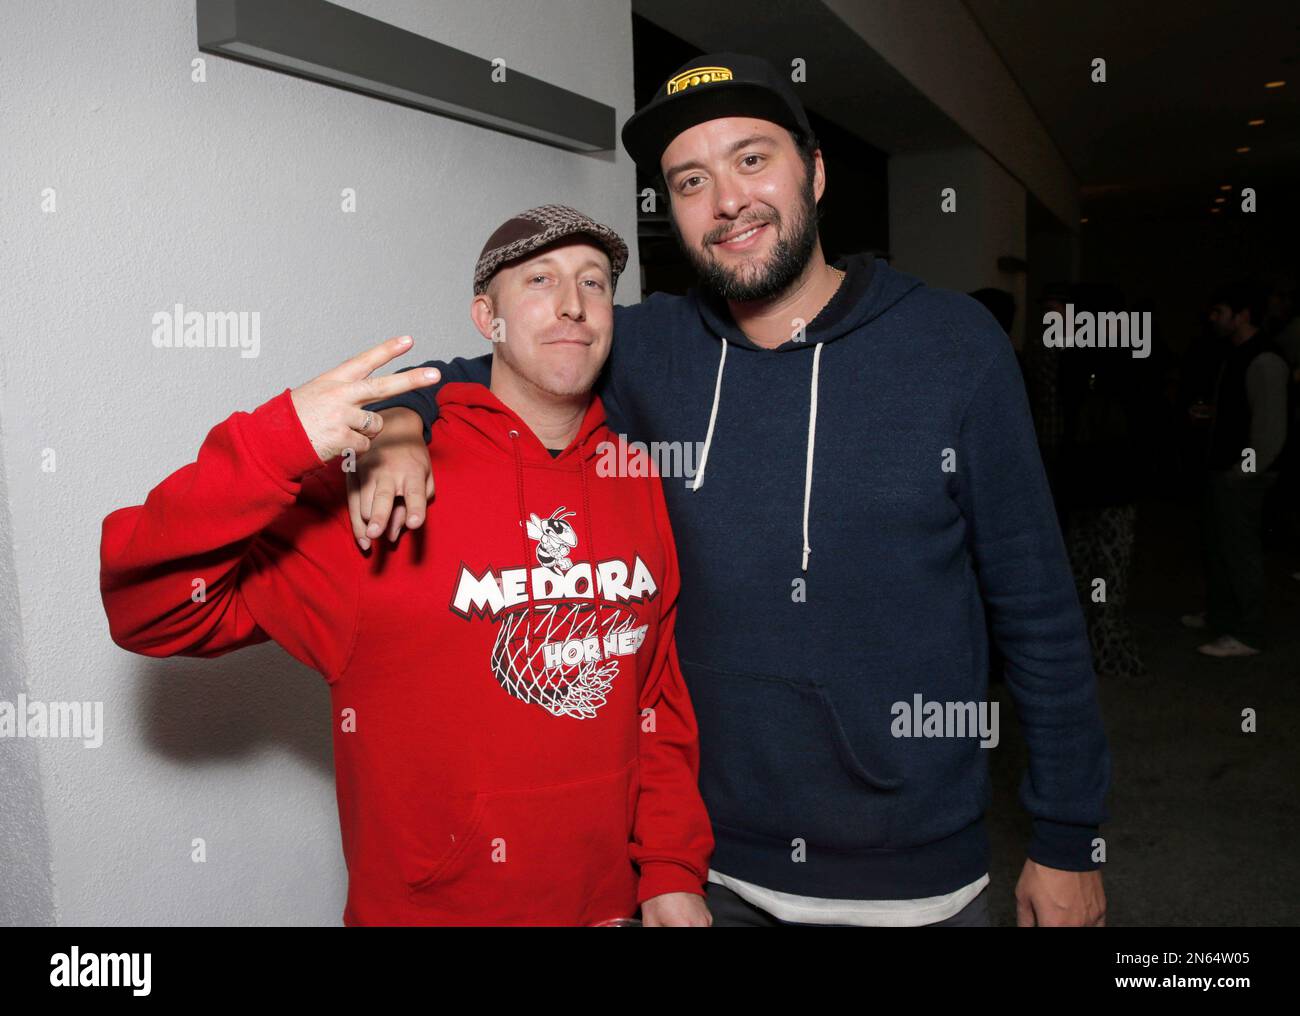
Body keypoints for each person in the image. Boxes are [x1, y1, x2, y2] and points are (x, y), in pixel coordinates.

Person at [359, 53, 1110, 927]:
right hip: (702, 872)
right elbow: (480, 368)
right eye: (690, 180)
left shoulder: (953, 346)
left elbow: (1040, 608)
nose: (726, 200)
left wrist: (1067, 835)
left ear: (815, 171)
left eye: (752, 159)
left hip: (914, 878)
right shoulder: (645, 349)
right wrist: (404, 423)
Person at [99, 207, 714, 926]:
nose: (573, 304)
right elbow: (151, 610)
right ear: (488, 317)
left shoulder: (633, 475)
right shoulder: (383, 489)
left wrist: (671, 870)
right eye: (540, 280)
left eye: (595, 283)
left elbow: (655, 700)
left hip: (609, 909)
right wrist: (280, 442)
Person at [1182, 280, 1291, 657]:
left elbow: (1270, 427)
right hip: (1227, 468)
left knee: (1239, 550)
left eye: (1220, 312)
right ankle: (1223, 615)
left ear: (1242, 315)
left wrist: (1243, 472)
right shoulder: (1238, 354)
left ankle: (1247, 631)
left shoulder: (1263, 358)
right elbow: (1246, 413)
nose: (1213, 319)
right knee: (1220, 547)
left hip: (1241, 474)